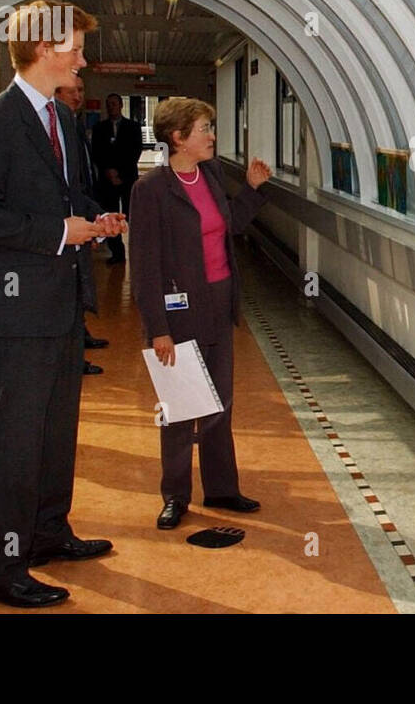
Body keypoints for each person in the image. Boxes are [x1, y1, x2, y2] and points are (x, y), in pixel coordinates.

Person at [0, 0, 125, 608]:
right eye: (76, 47)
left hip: (61, 304)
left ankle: (49, 533)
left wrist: (92, 219)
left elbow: (66, 194)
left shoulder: (63, 119)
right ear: (47, 49)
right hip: (21, 307)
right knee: (16, 444)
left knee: (55, 432)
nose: (83, 58)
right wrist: (58, 232)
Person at [129, 98, 272, 530]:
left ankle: (222, 488)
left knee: (219, 404)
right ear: (178, 138)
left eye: (210, 127)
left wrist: (251, 189)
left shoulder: (209, 175)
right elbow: (145, 265)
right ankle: (175, 496)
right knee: (179, 406)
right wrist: (158, 329)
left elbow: (228, 227)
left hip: (218, 301)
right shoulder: (151, 189)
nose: (212, 136)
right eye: (204, 129)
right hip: (178, 310)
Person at [54, 77, 106, 374]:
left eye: (81, 91)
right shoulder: (58, 129)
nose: (78, 96)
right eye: (71, 91)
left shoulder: (73, 125)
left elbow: (80, 179)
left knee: (79, 285)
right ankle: (74, 353)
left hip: (83, 209)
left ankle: (79, 342)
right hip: (63, 228)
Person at [91, 92, 142, 265]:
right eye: (108, 104)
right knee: (110, 215)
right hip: (107, 180)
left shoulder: (133, 127)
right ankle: (117, 254)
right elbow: (96, 152)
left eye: (114, 103)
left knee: (132, 214)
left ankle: (137, 253)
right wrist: (108, 171)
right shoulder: (99, 128)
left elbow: (135, 151)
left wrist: (120, 174)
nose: (111, 107)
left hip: (127, 178)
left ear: (121, 105)